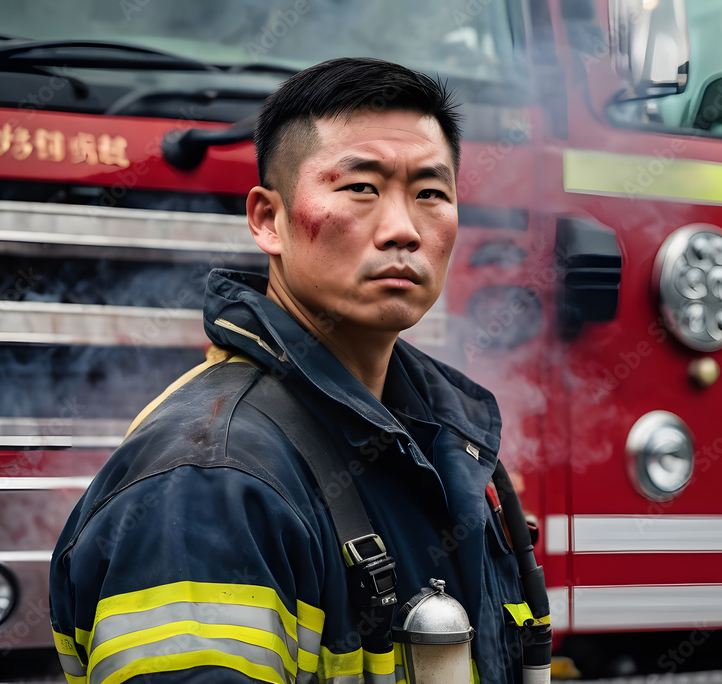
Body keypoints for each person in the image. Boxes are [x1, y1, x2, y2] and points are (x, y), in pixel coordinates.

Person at [49, 57, 535, 684]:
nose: (403, 229)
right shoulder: (211, 484)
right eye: (361, 187)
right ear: (267, 220)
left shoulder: (433, 445)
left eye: (431, 194)